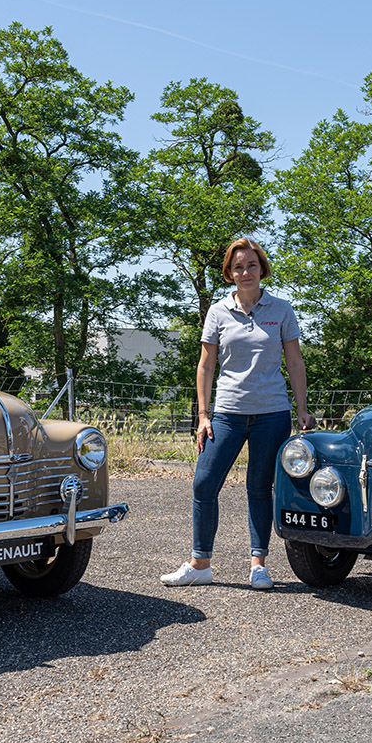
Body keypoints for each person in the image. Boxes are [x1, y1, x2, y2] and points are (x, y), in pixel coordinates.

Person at [161, 238, 315, 590]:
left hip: (272, 413)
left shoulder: (282, 310)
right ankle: (200, 564)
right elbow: (205, 365)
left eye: (251, 265)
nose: (245, 272)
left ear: (262, 269)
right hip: (227, 413)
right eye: (238, 267)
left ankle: (258, 564)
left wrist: (302, 408)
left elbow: (294, 361)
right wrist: (203, 415)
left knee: (259, 487)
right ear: (229, 273)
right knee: (204, 483)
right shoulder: (217, 312)